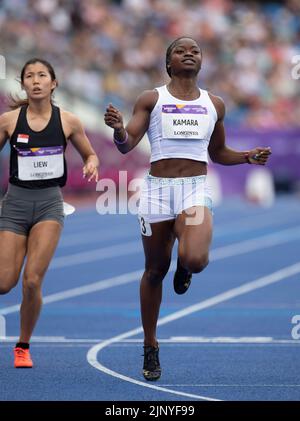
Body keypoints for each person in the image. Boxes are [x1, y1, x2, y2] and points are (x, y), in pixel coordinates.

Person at [104, 37, 271, 381]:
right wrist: (119, 129)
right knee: (154, 270)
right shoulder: (152, 99)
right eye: (180, 51)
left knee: (195, 258)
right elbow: (126, 145)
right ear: (169, 63)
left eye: (195, 51)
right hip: (156, 193)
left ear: (201, 61)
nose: (189, 54)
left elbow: (218, 152)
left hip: (194, 189)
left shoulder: (214, 104)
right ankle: (150, 345)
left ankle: (186, 267)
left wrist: (246, 157)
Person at [0, 58, 99, 368]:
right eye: (29, 76)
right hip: (14, 204)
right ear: (23, 85)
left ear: (53, 83)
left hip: (49, 205)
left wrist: (92, 162)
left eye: (42, 75)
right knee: (4, 283)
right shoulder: (9, 121)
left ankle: (22, 346)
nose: (36, 80)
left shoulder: (68, 121)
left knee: (31, 281)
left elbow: (90, 152)